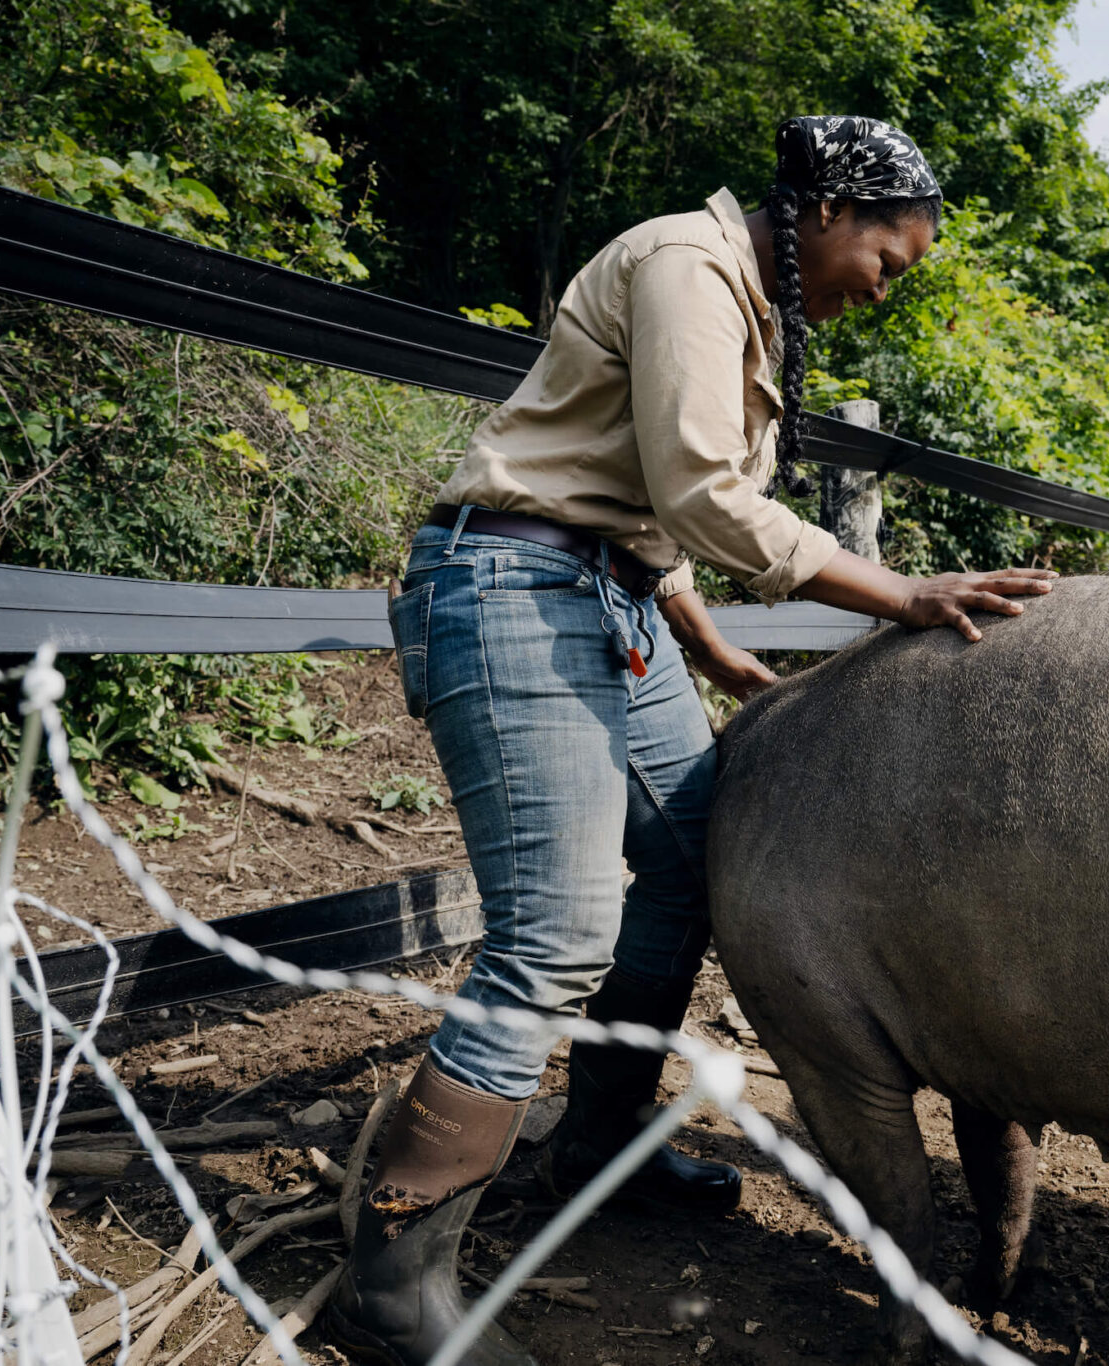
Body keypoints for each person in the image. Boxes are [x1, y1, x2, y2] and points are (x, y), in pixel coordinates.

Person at [324, 115, 1054, 1366]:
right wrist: (907, 594)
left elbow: (640, 509)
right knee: (554, 935)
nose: (881, 287)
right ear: (827, 209)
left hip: (615, 599)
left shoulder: (756, 307)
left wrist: (703, 640)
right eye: (887, 259)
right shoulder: (686, 267)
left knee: (690, 858)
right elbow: (702, 492)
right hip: (509, 589)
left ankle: (596, 1149)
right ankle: (391, 1284)